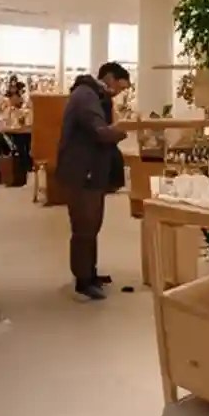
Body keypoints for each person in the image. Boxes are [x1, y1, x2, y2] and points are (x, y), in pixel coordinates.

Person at [56, 62, 130, 301]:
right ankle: (83, 281)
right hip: (82, 173)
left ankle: (90, 272)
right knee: (84, 227)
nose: (118, 93)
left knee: (92, 225)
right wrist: (124, 129)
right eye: (119, 87)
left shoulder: (94, 95)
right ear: (109, 78)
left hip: (91, 172)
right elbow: (100, 131)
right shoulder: (86, 97)